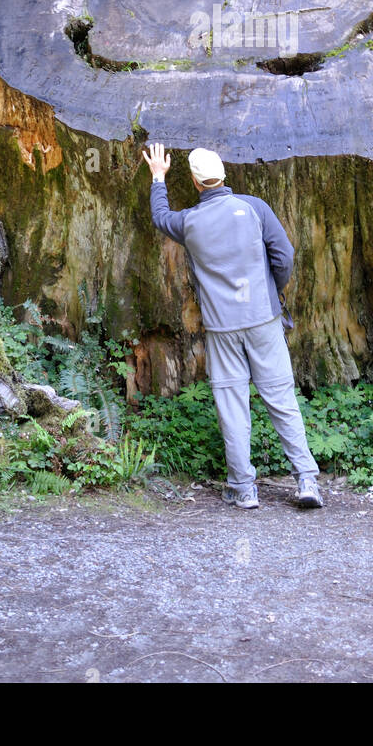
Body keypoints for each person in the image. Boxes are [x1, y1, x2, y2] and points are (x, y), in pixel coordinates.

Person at [141, 141, 323, 511]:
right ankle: (306, 479)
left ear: (194, 181)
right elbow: (284, 255)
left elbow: (161, 217)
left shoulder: (189, 222)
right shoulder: (253, 207)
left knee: (231, 403)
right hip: (263, 318)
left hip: (222, 327)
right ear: (222, 174)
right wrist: (272, 289)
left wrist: (158, 178)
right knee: (281, 398)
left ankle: (242, 488)